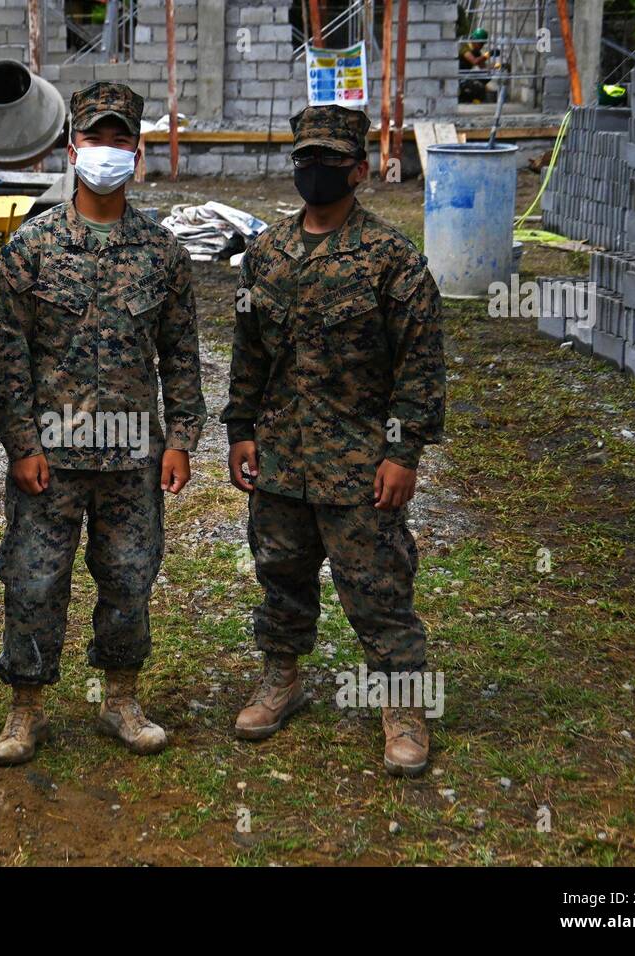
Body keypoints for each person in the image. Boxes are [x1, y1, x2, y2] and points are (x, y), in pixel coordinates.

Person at [0, 81, 205, 765]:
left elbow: (182, 356)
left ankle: (122, 700)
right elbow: (6, 357)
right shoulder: (33, 246)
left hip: (133, 457)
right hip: (51, 454)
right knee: (33, 581)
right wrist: (21, 444)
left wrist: (183, 441)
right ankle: (26, 708)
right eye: (93, 138)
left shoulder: (162, 253)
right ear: (71, 146)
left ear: (135, 152)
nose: (104, 151)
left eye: (118, 139)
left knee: (130, 577)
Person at [222, 105, 446, 777]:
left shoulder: (391, 259)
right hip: (283, 458)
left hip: (359, 461)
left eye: (328, 162)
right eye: (305, 161)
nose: (314, 173)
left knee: (377, 586)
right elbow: (248, 352)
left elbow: (421, 365)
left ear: (358, 170)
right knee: (281, 577)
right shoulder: (266, 252)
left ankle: (403, 706)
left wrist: (402, 452)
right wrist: (239, 429)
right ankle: (281, 679)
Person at [459, 27, 492, 103]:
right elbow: (474, 61)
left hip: (466, 76)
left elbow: (483, 68)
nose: (482, 46)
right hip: (459, 77)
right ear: (474, 40)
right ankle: (465, 96)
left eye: (483, 44)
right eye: (480, 44)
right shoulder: (465, 48)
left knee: (487, 75)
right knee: (475, 86)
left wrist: (497, 66)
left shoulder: (476, 52)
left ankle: (474, 96)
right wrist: (488, 55)